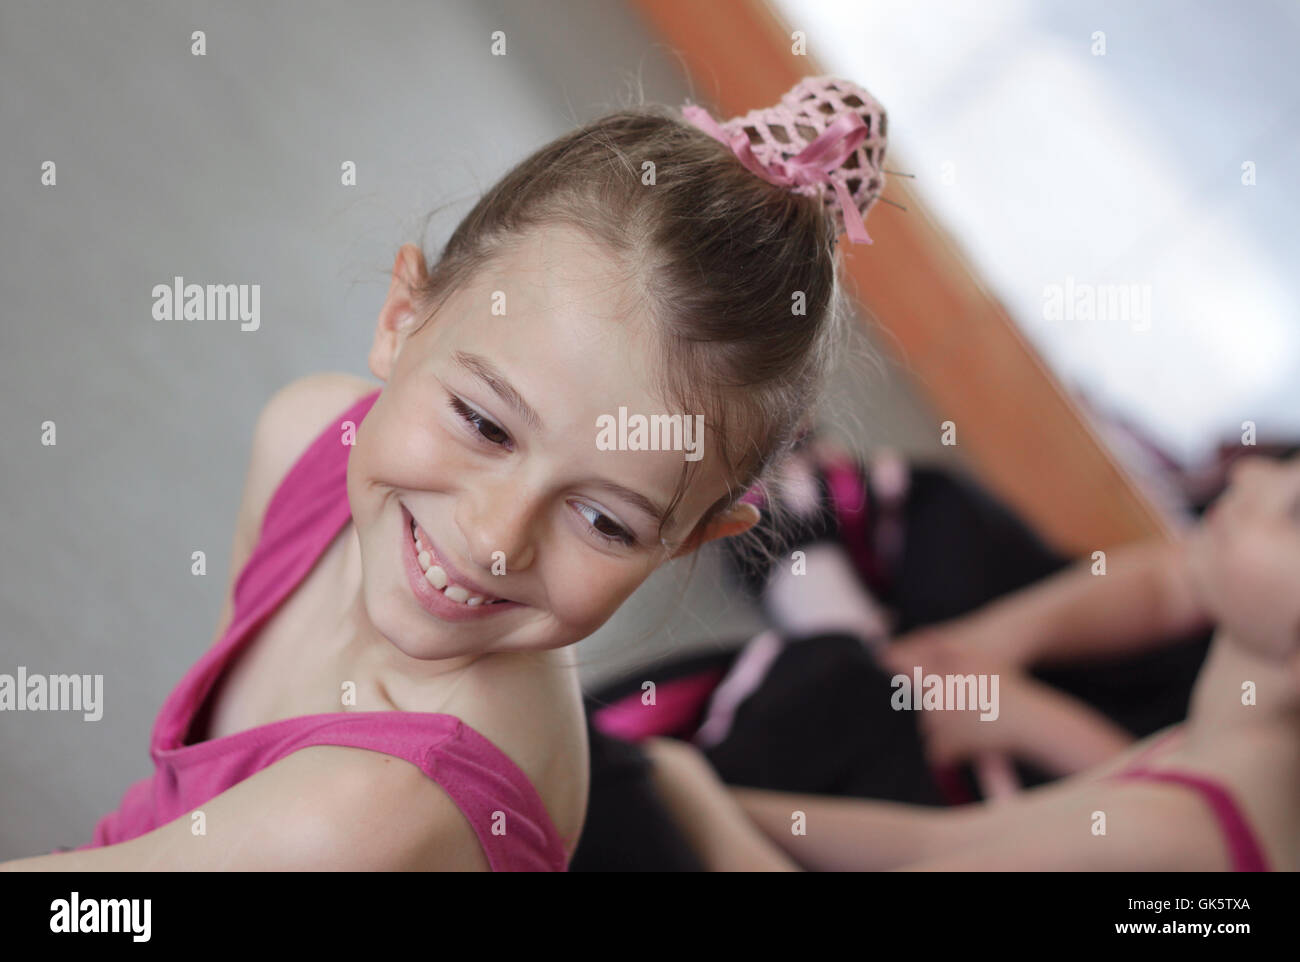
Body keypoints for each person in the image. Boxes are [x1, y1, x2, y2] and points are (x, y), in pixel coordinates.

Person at [0, 76, 891, 870]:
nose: (496, 537)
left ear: (691, 540)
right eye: (484, 423)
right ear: (401, 317)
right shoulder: (305, 435)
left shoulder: (383, 810)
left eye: (605, 521)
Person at [594, 453, 1300, 871]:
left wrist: (686, 806)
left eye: (1294, 512)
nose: (1252, 471)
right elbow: (936, 844)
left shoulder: (1172, 834)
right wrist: (701, 797)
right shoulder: (1198, 756)